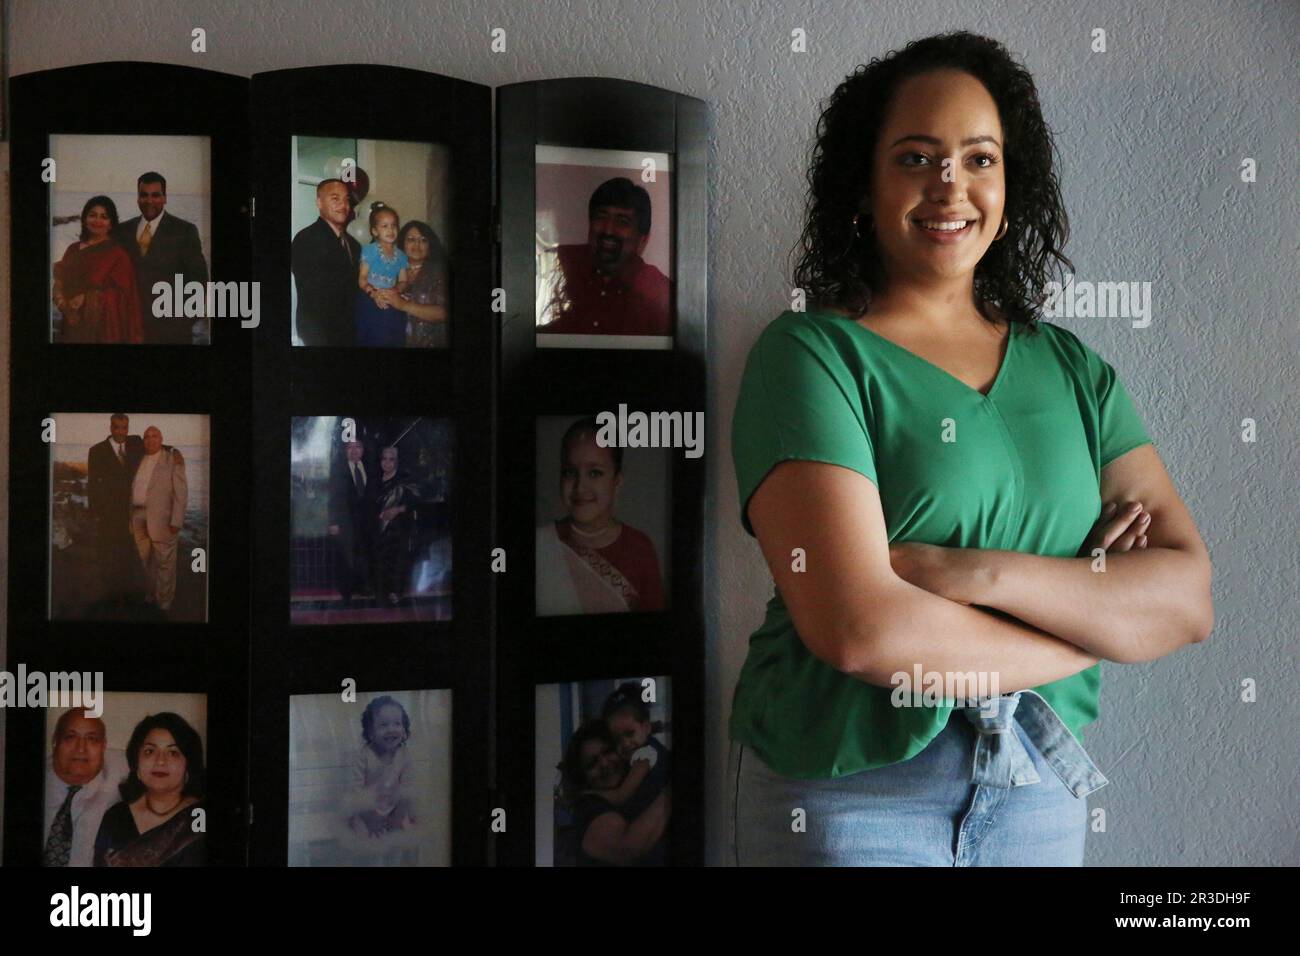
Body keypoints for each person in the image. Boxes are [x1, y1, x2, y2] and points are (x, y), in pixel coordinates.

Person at [727, 32, 1214, 866]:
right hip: (853, 797)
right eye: (916, 156)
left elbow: (1184, 600)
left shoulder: (1073, 372)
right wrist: (1090, 626)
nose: (950, 185)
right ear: (864, 185)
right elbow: (860, 629)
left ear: (1009, 183)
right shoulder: (809, 356)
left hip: (1038, 785)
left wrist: (968, 573)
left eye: (978, 158)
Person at [535, 417, 665, 615]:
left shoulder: (640, 548)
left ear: (617, 482)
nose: (580, 487)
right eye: (570, 472)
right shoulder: (540, 544)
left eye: (595, 473)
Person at [538, 177, 671, 336]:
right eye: (601, 217)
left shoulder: (660, 293)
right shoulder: (557, 264)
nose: (608, 230)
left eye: (622, 221)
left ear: (643, 239)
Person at [93, 712, 206, 867]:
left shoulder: (199, 818)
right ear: (136, 765)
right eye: (149, 751)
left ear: (188, 766)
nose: (160, 761)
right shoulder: (116, 818)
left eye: (173, 753)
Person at [113, 171, 210, 344]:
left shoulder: (185, 231)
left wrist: (183, 322)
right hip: (130, 329)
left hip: (172, 333)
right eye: (144, 195)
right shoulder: (122, 231)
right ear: (137, 198)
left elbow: (199, 282)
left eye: (155, 195)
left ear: (165, 198)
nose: (149, 201)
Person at [558, 720, 670, 866]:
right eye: (592, 764)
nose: (604, 764)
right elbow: (627, 849)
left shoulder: (639, 776)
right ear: (582, 777)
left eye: (608, 751)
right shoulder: (588, 807)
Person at [52, 196, 143, 343]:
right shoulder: (73, 249)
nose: (97, 221)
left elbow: (126, 298)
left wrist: (88, 298)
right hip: (72, 323)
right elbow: (59, 282)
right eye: (92, 215)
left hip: (104, 330)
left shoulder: (118, 255)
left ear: (111, 223)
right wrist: (64, 304)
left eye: (104, 217)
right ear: (84, 219)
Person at [43, 709, 127, 867]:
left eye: (92, 739)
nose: (81, 748)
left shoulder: (122, 769)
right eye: (71, 737)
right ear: (55, 742)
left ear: (103, 747)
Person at [291, 179, 362, 346]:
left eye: (346, 199)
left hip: (349, 330)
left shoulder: (354, 244)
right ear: (319, 203)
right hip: (320, 333)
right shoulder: (306, 239)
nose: (343, 205)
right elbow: (313, 293)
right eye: (335, 198)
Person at [85, 413, 144, 605]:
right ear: (111, 427)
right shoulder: (97, 450)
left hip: (130, 512)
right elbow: (92, 483)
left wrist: (174, 450)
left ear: (128, 428)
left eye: (125, 427)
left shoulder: (135, 443)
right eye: (117, 427)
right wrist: (95, 512)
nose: (121, 431)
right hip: (108, 513)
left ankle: (125, 591)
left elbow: (155, 446)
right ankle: (108, 593)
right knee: (108, 552)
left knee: (128, 552)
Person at [129, 426, 188, 613]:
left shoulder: (172, 458)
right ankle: (151, 594)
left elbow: (181, 492)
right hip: (137, 517)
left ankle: (164, 603)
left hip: (162, 520)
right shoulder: (138, 457)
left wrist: (177, 521)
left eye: (155, 436)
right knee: (145, 560)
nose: (150, 439)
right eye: (147, 436)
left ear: (162, 439)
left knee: (165, 563)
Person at [347, 696, 416, 839]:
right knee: (362, 837)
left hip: (395, 808)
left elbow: (408, 789)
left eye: (397, 723)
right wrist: (370, 818)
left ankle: (402, 859)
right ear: (370, 732)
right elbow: (355, 792)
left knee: (408, 835)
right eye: (383, 725)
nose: (391, 729)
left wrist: (397, 816)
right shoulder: (362, 757)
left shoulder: (405, 755)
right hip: (366, 810)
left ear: (404, 730)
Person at [375, 220, 450, 348]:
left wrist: (404, 305)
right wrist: (377, 296)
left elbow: (444, 313)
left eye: (423, 240)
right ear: (402, 244)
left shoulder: (440, 271)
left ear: (430, 245)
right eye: (411, 239)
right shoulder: (391, 270)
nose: (417, 244)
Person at [369, 446, 421, 608]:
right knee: (379, 564)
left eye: (391, 459)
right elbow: (368, 506)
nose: (387, 463)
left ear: (397, 461)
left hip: (399, 531)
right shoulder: (374, 482)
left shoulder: (405, 482)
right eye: (384, 458)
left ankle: (396, 593)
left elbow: (416, 502)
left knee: (398, 563)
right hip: (379, 531)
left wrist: (397, 510)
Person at [354, 202, 410, 347]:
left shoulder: (402, 256)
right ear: (374, 231)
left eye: (393, 225)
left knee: (393, 334)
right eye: (384, 226)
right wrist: (374, 293)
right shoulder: (370, 250)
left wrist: (396, 290)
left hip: (391, 298)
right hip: (370, 298)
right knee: (373, 337)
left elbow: (403, 280)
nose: (390, 230)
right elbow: (362, 279)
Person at [328, 440, 373, 607]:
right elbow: (333, 497)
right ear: (345, 451)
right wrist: (333, 521)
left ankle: (362, 586)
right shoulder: (338, 469)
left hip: (366, 522)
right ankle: (345, 592)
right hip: (344, 522)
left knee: (364, 555)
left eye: (358, 446)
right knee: (345, 557)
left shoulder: (370, 468)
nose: (354, 450)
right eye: (349, 447)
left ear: (363, 450)